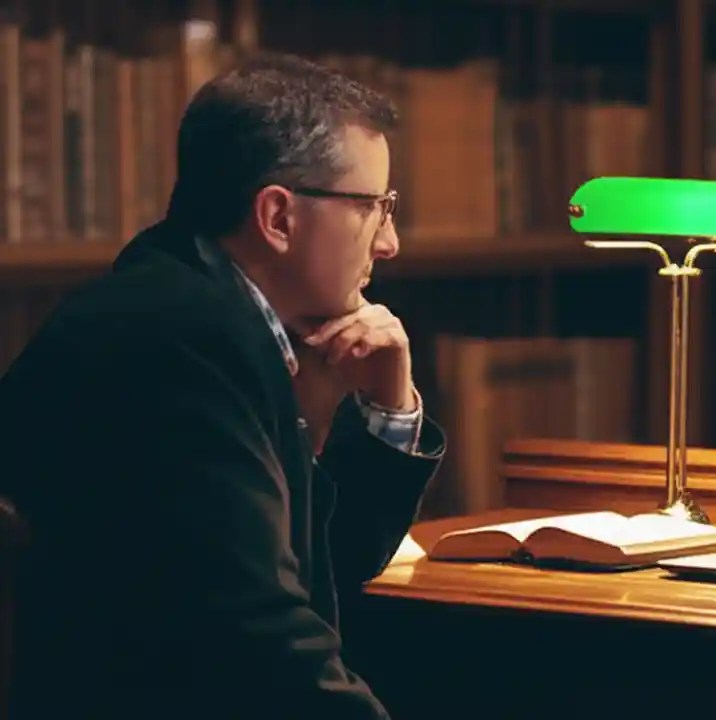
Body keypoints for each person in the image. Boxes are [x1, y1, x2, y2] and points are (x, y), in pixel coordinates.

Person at [0, 53, 443, 719]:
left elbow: (324, 572)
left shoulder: (209, 313)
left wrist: (384, 409)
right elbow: (262, 639)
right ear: (278, 218)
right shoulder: (176, 341)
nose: (390, 242)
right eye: (372, 208)